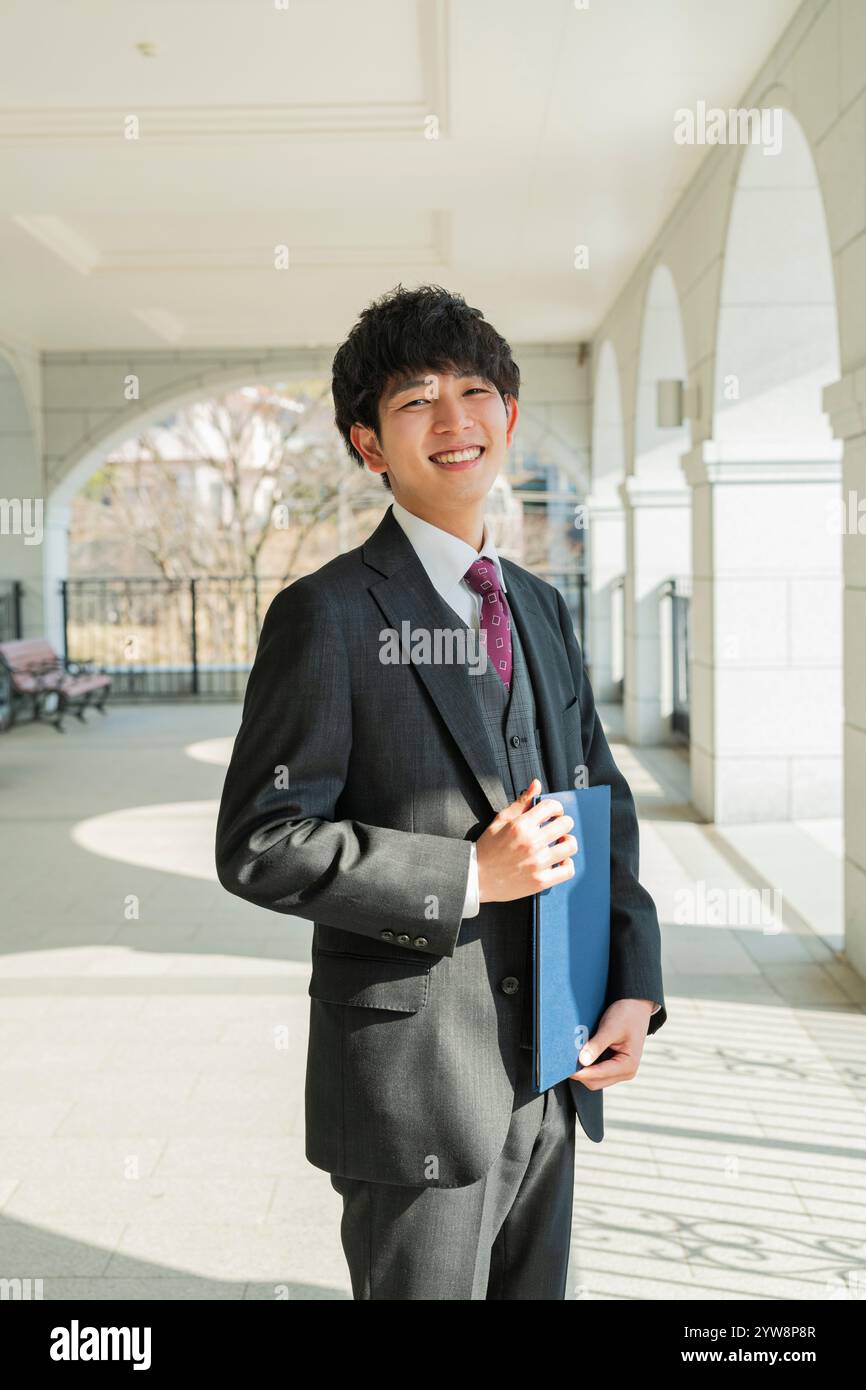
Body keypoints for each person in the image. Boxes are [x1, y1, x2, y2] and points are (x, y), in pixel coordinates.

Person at [215, 283, 666, 1300]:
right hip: (414, 1087)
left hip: (554, 1066)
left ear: (509, 415)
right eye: (416, 400)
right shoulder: (325, 614)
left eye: (473, 392)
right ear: (368, 443)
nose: (453, 419)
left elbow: (600, 799)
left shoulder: (540, 606)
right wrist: (467, 875)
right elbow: (260, 840)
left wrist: (633, 981)